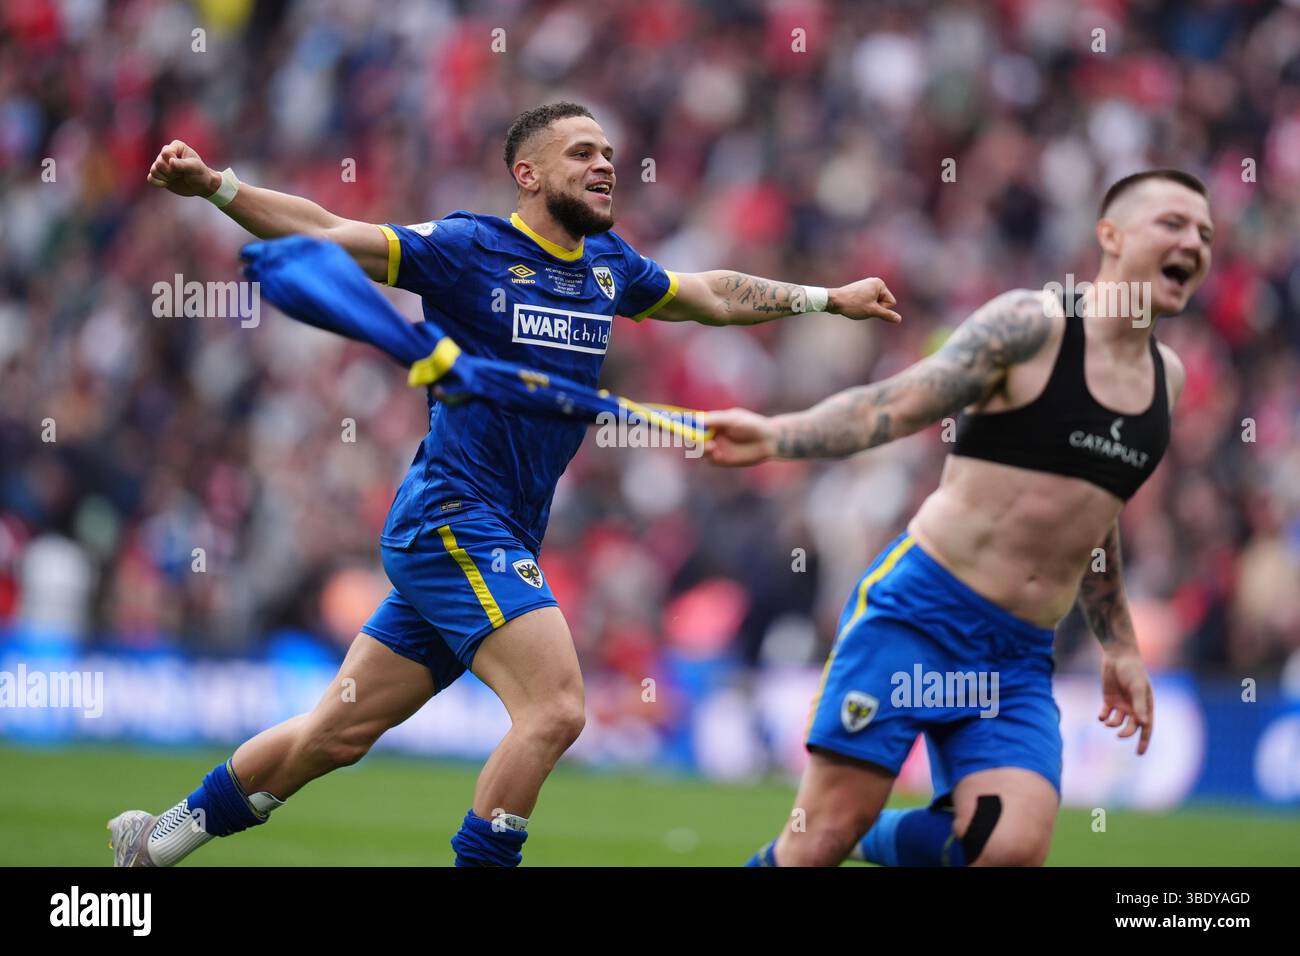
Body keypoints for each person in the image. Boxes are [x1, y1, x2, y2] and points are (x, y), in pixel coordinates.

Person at [108, 102, 901, 867]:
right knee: (554, 709)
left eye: (610, 157)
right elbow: (323, 232)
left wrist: (826, 299)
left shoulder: (606, 265)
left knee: (332, 736)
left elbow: (705, 296)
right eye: (582, 154)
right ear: (528, 173)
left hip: (497, 532)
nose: (604, 167)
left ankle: (156, 842)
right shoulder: (465, 248)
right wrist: (215, 186)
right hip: (453, 516)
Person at [705, 170, 1209, 867]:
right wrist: (777, 435)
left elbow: (1096, 513)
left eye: (1206, 233)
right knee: (817, 839)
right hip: (920, 613)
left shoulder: (1168, 379)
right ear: (1112, 236)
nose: (1195, 243)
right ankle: (845, 837)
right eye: (1175, 224)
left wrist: (1118, 644)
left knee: (1008, 850)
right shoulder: (1030, 326)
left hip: (1017, 656)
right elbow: (896, 403)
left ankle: (864, 839)